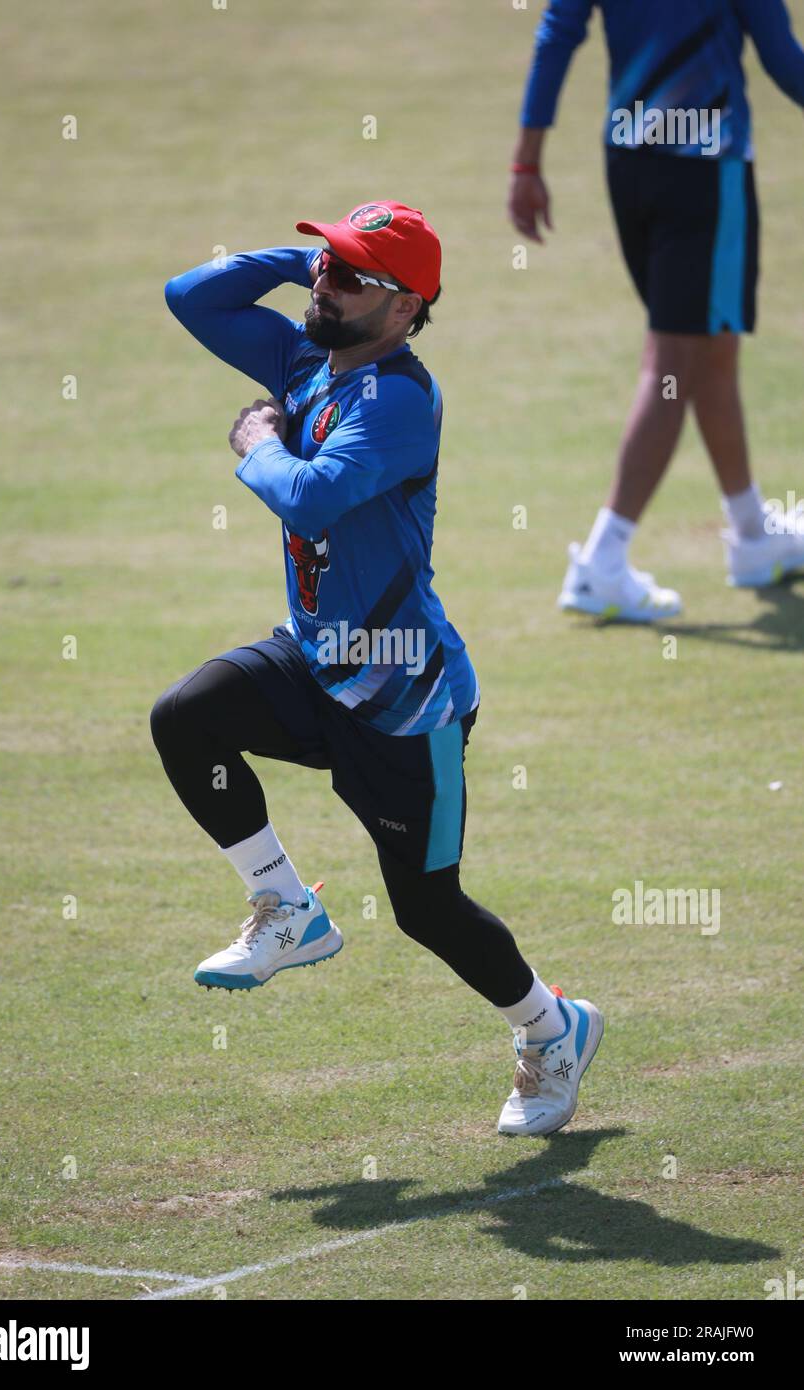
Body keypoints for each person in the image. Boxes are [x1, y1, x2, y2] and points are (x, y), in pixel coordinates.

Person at [150, 200, 603, 1136]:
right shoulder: (306, 359)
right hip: (316, 660)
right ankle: (285, 907)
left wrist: (256, 441)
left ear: (405, 310)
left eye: (352, 276)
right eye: (327, 266)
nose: (326, 282)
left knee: (427, 911)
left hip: (406, 701)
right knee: (186, 715)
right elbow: (188, 296)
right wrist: (308, 257)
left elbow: (312, 500)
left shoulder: (398, 400)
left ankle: (551, 1031)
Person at [510, 0, 804, 622]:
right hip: (707, 171)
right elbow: (783, 59)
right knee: (673, 364)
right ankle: (603, 559)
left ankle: (752, 534)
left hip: (632, 168)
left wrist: (527, 160)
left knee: (709, 348)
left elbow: (557, 34)